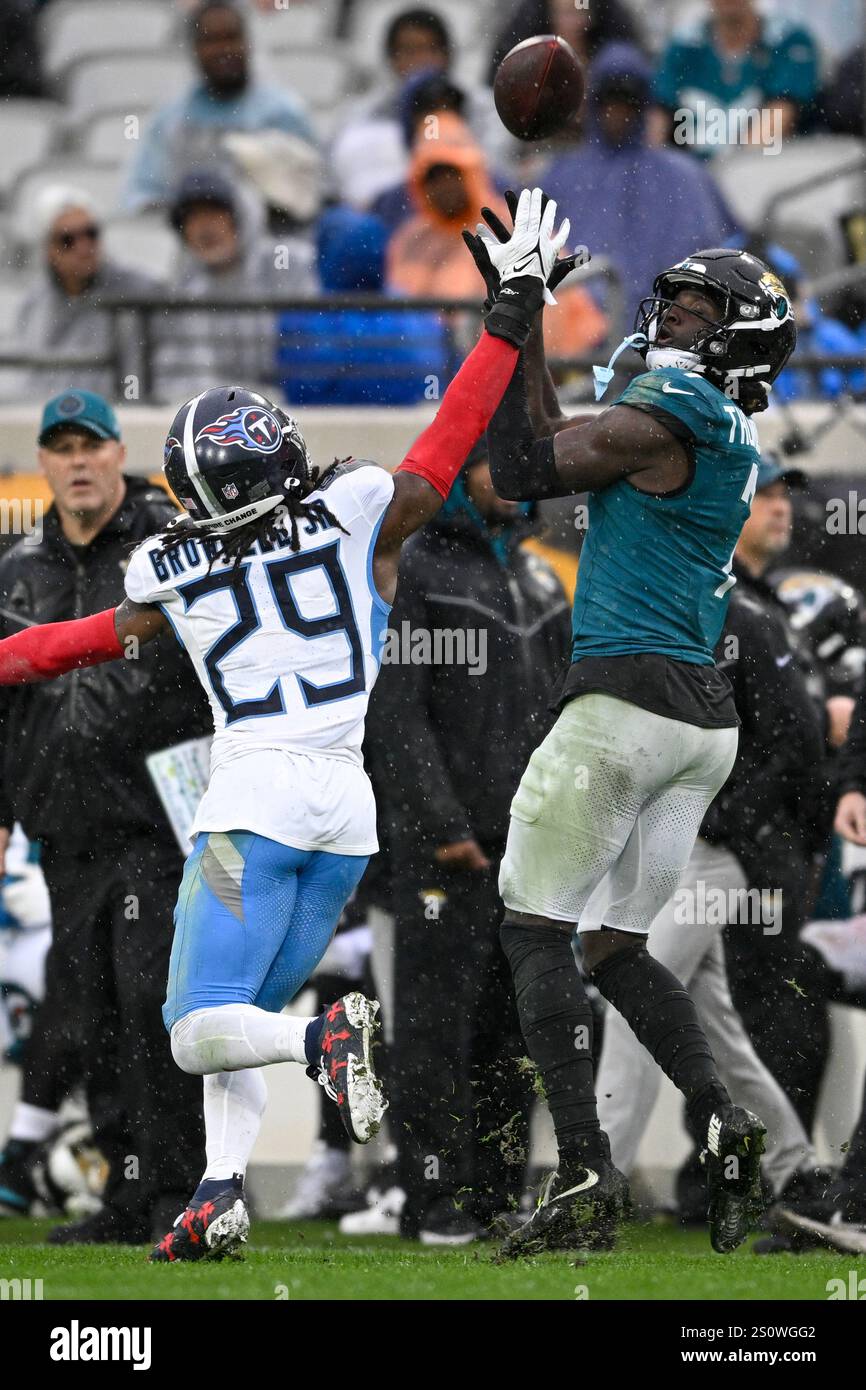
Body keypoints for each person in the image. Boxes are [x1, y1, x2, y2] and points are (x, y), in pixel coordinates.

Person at [0, 189, 572, 1262]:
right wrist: (505, 320)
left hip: (249, 812)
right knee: (241, 1019)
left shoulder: (171, 564)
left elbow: (69, 645)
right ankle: (219, 1192)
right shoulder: (351, 512)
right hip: (344, 814)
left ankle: (322, 1038)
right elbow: (443, 446)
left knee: (193, 1028)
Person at [463, 215, 798, 1256]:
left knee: (532, 929)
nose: (670, 321)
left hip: (623, 706)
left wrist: (508, 317)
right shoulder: (715, 425)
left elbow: (516, 469)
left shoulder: (677, 411)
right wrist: (530, 320)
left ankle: (582, 1172)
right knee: (611, 946)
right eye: (675, 305)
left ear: (735, 340)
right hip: (696, 724)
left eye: (695, 314)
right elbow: (553, 447)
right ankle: (727, 1122)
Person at [595, 455, 850, 1242]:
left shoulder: (741, 619)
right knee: (717, 1028)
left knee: (633, 998)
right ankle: (798, 1169)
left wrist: (720, 819)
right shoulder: (667, 613)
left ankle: (592, 1183)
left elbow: (796, 740)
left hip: (713, 854)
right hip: (670, 847)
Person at [0, 390, 211, 1244]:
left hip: (161, 822)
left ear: (120, 452)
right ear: (43, 464)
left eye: (92, 445)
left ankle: (176, 1193)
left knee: (154, 999)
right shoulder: (16, 569)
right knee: (93, 1012)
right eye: (62, 448)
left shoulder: (173, 545)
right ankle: (127, 1195)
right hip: (65, 827)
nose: (78, 461)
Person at [365, 440, 571, 1241]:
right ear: (461, 474)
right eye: (495, 463)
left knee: (511, 1031)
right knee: (432, 1028)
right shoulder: (416, 567)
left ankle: (494, 1194)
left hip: (526, 849)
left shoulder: (541, 573)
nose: (512, 478)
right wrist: (441, 823)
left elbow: (567, 711)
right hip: (444, 849)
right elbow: (397, 710)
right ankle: (433, 1198)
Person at [541, 44, 739, 323]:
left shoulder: (684, 176)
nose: (616, 111)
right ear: (595, 103)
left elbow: (724, 251)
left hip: (663, 332)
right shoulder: (562, 174)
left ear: (642, 105)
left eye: (626, 101)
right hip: (578, 334)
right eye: (609, 101)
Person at [387, 115, 607, 360]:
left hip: (507, 366)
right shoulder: (411, 239)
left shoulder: (511, 226)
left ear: (471, 173)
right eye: (433, 177)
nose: (443, 186)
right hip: (424, 370)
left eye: (451, 173)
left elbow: (554, 312)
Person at [123, 0, 317, 214]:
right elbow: (143, 194)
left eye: (231, 37)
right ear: (194, 48)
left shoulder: (284, 113)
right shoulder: (171, 121)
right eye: (211, 40)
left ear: (248, 43)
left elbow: (311, 196)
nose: (223, 49)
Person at [156, 168, 317, 402]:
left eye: (214, 213)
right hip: (224, 415)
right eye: (192, 218)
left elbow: (314, 346)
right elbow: (176, 381)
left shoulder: (289, 264)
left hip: (298, 407)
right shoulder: (185, 294)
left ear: (240, 217)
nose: (204, 228)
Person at [0, 188, 163, 405]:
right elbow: (28, 382)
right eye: (68, 240)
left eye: (91, 233)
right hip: (51, 415)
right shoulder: (33, 304)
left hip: (117, 415)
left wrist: (130, 407)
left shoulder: (141, 292)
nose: (84, 247)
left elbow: (136, 380)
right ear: (48, 249)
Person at [331, 7, 505, 211]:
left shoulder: (483, 106)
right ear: (391, 58)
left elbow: (495, 168)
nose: (421, 60)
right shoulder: (361, 115)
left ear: (447, 54)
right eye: (409, 51)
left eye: (430, 49)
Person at [651, 0, 820, 155]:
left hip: (763, 169)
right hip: (692, 171)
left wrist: (739, 168)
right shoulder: (683, 46)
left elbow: (781, 111)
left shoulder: (789, 40)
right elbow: (658, 118)